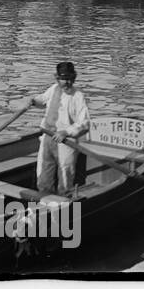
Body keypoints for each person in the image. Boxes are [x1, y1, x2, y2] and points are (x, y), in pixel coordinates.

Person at [23, 61, 90, 197]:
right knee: (43, 173)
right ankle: (44, 200)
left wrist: (66, 132)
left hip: (65, 141)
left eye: (70, 79)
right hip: (47, 138)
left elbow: (85, 123)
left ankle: (64, 202)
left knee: (65, 175)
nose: (67, 82)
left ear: (74, 78)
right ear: (57, 78)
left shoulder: (78, 96)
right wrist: (34, 101)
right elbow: (44, 100)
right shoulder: (54, 89)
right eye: (64, 79)